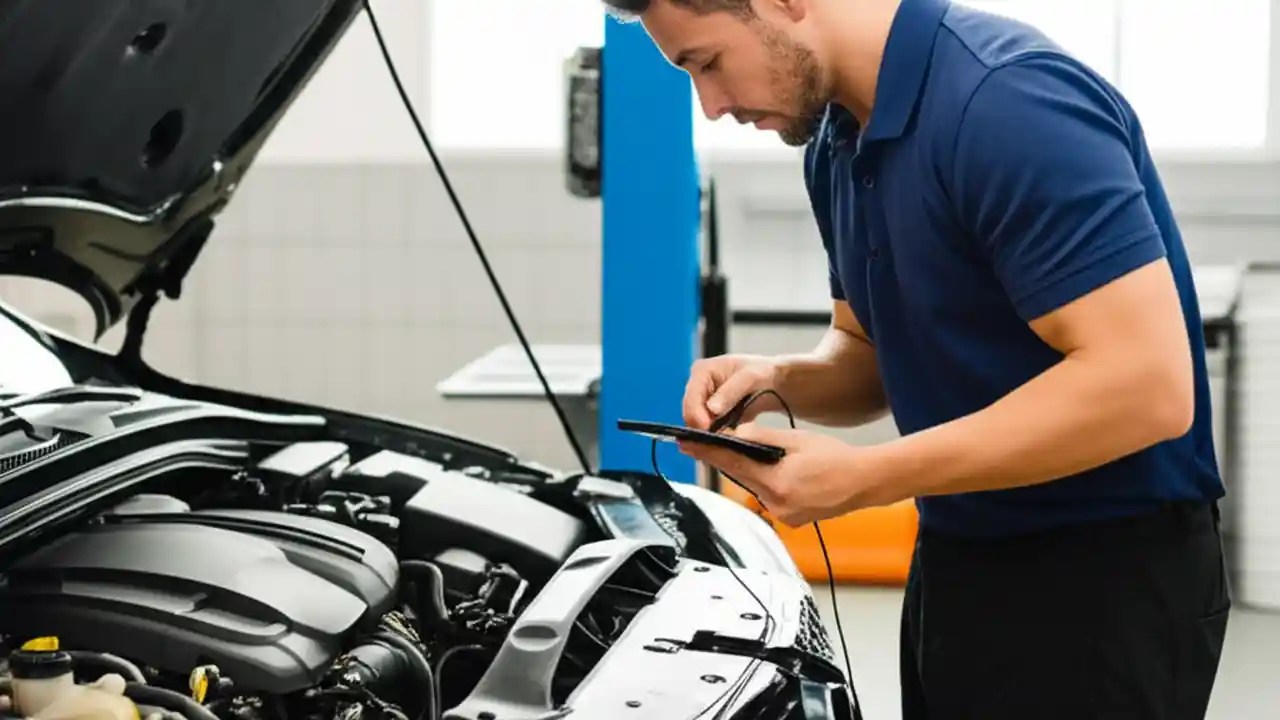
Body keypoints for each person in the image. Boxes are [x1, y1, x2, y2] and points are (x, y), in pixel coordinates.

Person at [599, 0, 1231, 718]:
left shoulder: (1008, 103)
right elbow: (869, 350)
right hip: (959, 558)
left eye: (706, 64)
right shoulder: (835, 140)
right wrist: (778, 377)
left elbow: (1147, 387)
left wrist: (868, 477)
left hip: (1103, 579)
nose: (710, 107)